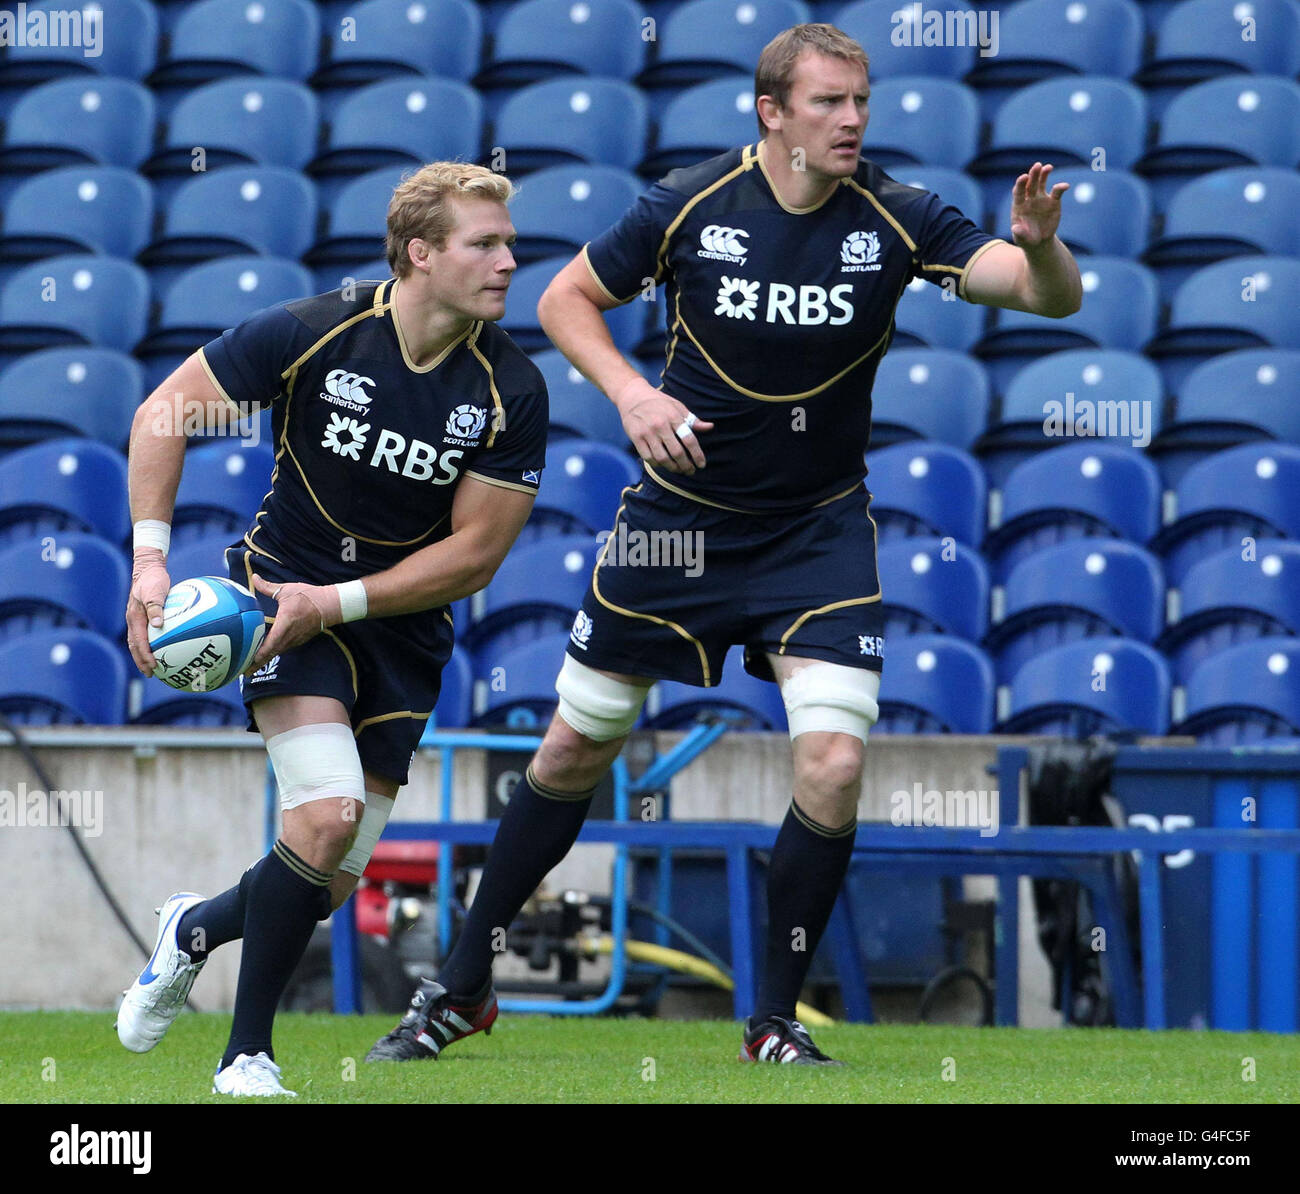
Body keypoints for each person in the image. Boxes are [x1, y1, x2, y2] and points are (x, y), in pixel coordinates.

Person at [369, 23, 1081, 1066]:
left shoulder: (895, 215)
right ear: (772, 113)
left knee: (834, 765)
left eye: (860, 102)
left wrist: (1038, 242)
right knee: (573, 749)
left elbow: (1046, 297)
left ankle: (772, 1023)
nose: (851, 120)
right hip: (675, 529)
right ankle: (462, 984)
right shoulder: (690, 204)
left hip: (816, 531)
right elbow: (567, 296)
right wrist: (632, 394)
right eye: (830, 102)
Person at [116, 162, 547, 1096]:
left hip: (399, 630)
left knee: (330, 877)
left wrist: (340, 601)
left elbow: (475, 559)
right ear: (420, 254)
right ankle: (246, 1058)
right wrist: (151, 561)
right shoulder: (317, 329)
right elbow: (164, 414)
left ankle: (193, 928)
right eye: (486, 243)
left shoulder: (511, 388)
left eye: (509, 243)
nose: (511, 262)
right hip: (280, 608)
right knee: (324, 817)